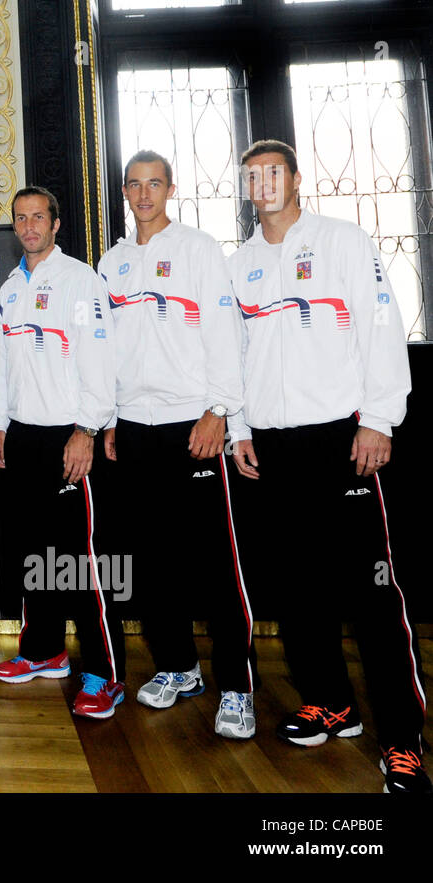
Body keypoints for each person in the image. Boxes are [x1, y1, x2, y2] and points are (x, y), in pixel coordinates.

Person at [228, 139, 427, 794]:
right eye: (253, 174)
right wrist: (236, 427)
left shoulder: (342, 242)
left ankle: (403, 739)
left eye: (273, 171)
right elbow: (232, 355)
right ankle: (329, 700)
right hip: (272, 447)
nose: (263, 182)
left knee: (371, 592)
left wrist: (377, 418)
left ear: (296, 178)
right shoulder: (241, 265)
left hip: (343, 439)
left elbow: (379, 325)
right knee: (296, 584)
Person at [98, 151, 257, 738]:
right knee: (150, 559)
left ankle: (237, 687)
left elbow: (225, 335)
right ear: (124, 190)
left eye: (154, 184)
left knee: (213, 562)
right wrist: (110, 418)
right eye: (134, 185)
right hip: (133, 431)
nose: (144, 195)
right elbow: (106, 352)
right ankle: (178, 666)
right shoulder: (110, 264)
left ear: (170, 189)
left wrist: (219, 412)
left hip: (193, 425)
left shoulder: (197, 249)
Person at [0, 186, 124, 718]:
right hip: (22, 436)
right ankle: (44, 651)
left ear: (56, 223)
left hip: (70, 435)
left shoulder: (81, 281)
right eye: (20, 218)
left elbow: (100, 362)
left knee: (82, 561)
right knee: (31, 555)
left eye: (38, 217)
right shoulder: (9, 287)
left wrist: (86, 430)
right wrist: (0, 427)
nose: (28, 226)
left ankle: (104, 671)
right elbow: (1, 367)